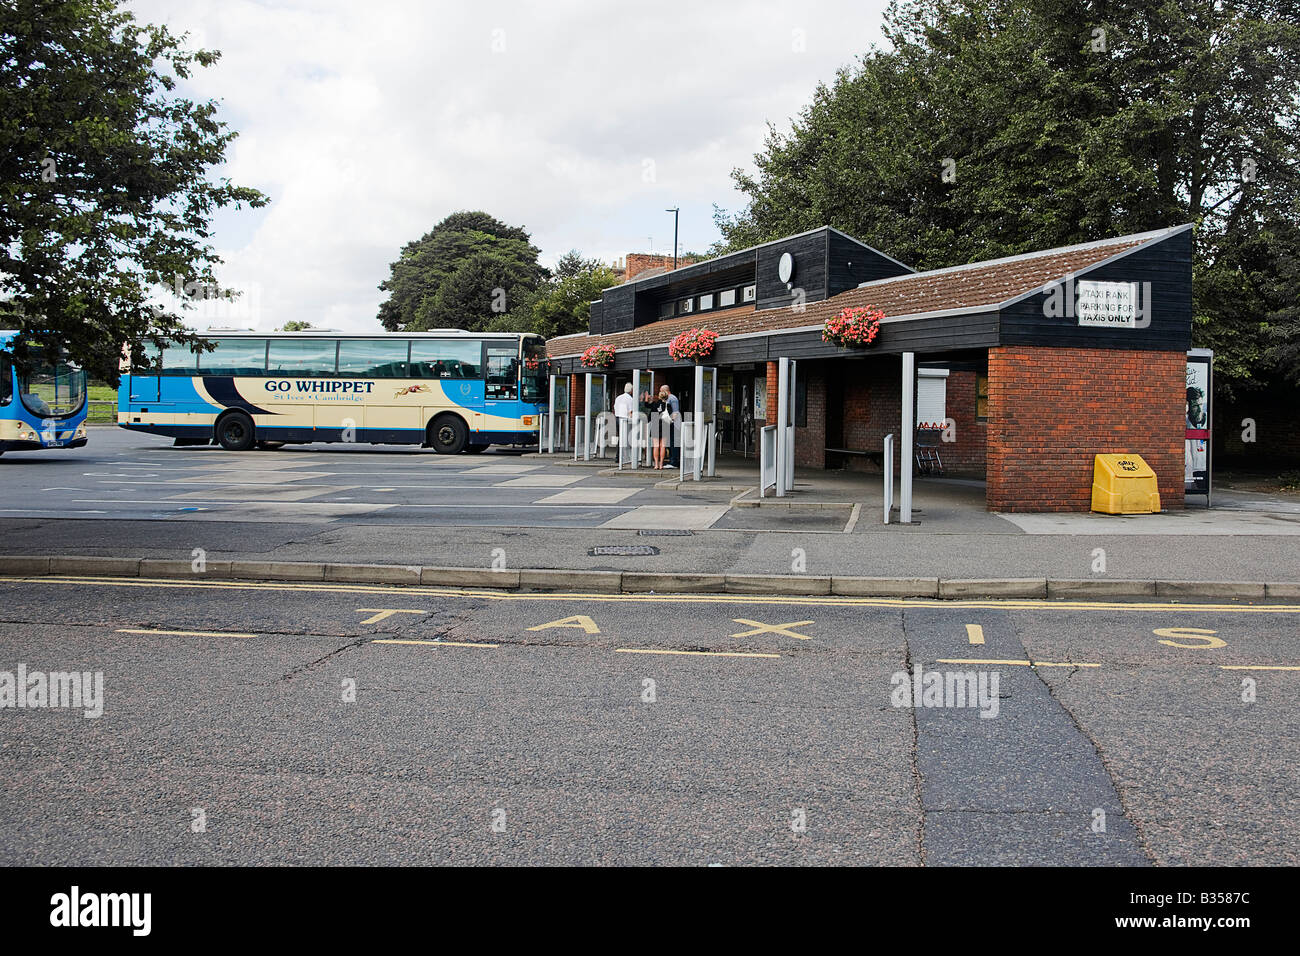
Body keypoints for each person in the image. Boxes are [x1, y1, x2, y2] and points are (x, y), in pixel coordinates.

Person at [614, 383, 636, 461]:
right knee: (627, 439)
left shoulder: (618, 397)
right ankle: (625, 457)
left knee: (621, 438)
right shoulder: (630, 399)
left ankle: (618, 457)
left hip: (617, 418)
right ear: (631, 390)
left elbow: (615, 408)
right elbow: (630, 412)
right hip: (625, 419)